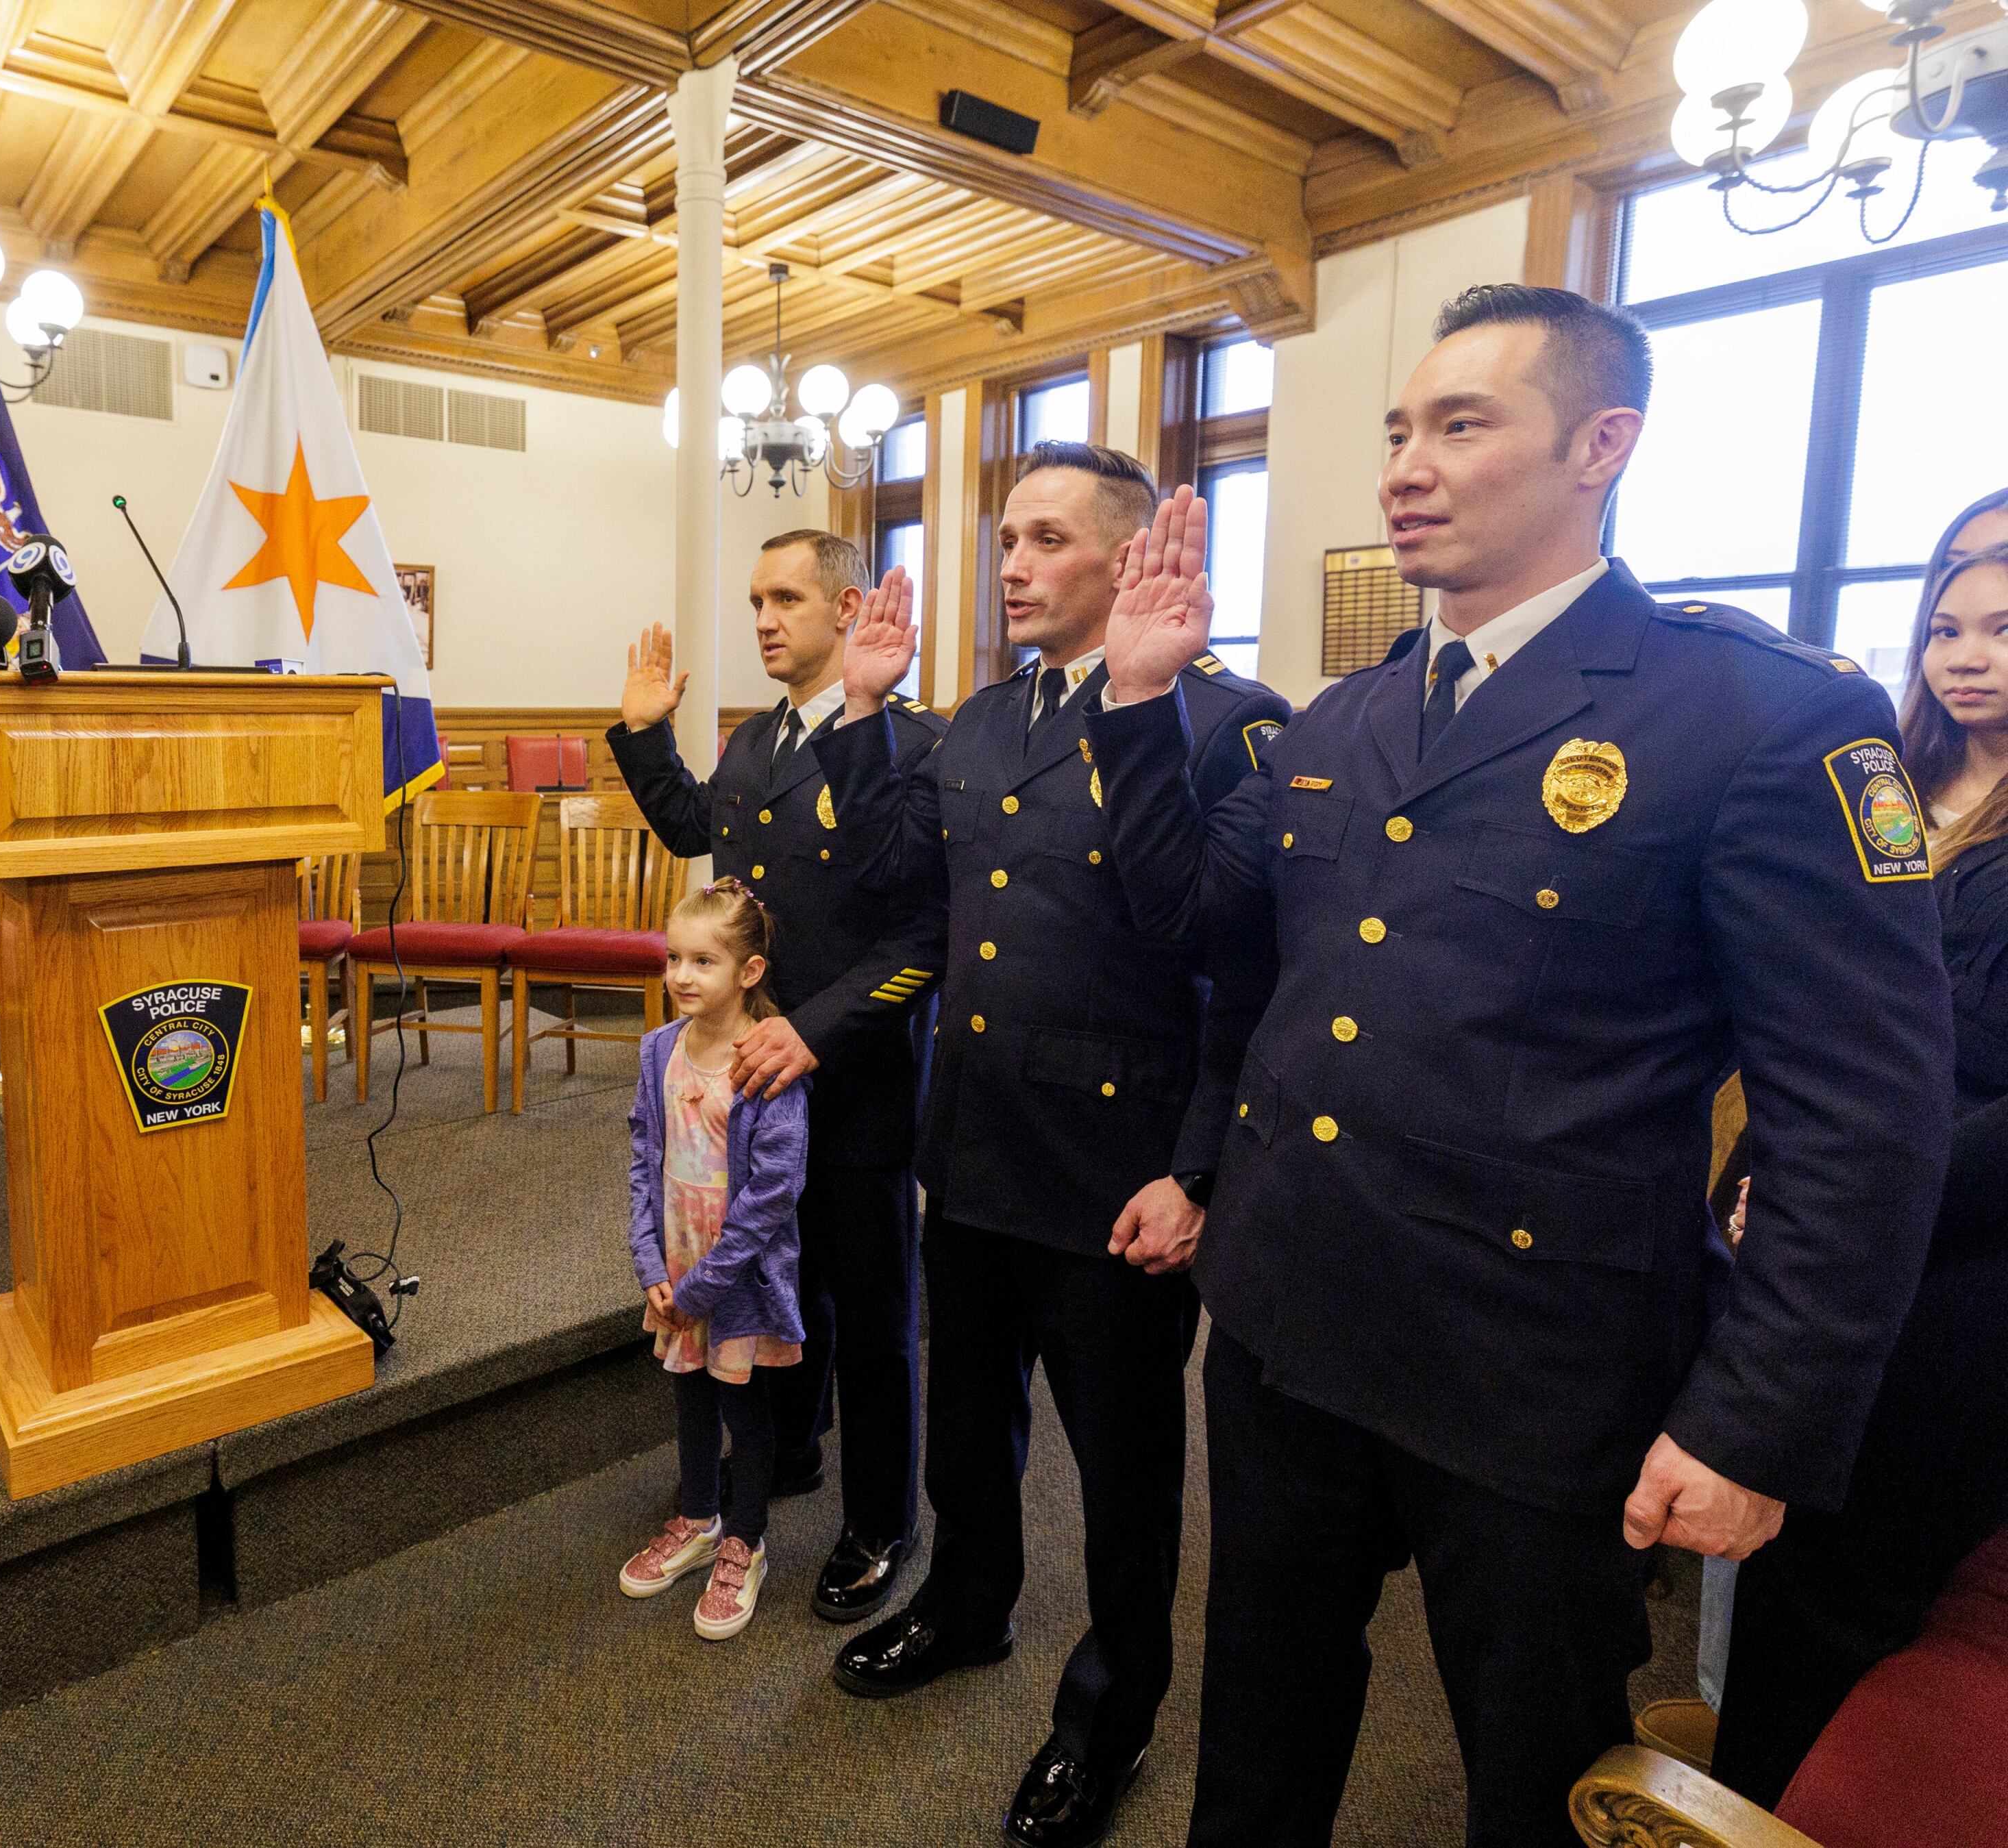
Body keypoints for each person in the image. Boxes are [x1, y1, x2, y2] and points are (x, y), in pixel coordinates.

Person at [1089, 283, 1955, 1848]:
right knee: (1258, 1721)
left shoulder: (1756, 715)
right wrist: (1145, 705)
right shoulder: (1337, 725)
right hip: (1290, 1325)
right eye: (1397, 431)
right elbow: (1217, 957)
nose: (1404, 467)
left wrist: (1758, 1418)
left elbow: (1862, 1114)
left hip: (1533, 1362)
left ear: (1599, 444)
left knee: (1531, 1766)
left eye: (1460, 425)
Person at [816, 441, 1290, 1848]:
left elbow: (1240, 974)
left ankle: (1107, 1711)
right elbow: (897, 878)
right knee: (967, 1431)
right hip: (968, 1150)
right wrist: (860, 711)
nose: (1009, 565)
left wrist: (1197, 1166)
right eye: (1003, 539)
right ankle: (966, 1607)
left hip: (1116, 1174)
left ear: (1129, 557)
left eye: (1042, 540)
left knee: (1126, 1479)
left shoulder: (1227, 722)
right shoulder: (977, 715)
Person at [1711, 534, 2008, 1804]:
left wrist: (1866, 1198)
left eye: (2002, 628)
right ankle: (1733, 1794)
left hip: (1960, 1256)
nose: (1968, 657)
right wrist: (1756, 1164)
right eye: (1948, 628)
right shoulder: (1887, 786)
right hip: (1821, 1223)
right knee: (1770, 1537)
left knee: (1855, 1574)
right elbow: (1817, 1021)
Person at [610, 530, 947, 1623]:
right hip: (757, 1084)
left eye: (786, 597)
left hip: (853, 1074)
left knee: (877, 1306)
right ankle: (791, 1452)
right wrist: (645, 734)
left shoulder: (907, 740)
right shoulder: (755, 743)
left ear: (849, 607)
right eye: (755, 598)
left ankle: (879, 1522)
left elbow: (923, 930)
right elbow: (691, 826)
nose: (762, 617)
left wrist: (813, 1026)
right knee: (781, 1279)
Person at [617, 878, 810, 1642]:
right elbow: (642, 1159)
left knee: (743, 1406)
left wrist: (703, 1285)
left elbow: (774, 1194)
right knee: (689, 1395)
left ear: (750, 973)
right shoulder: (657, 1049)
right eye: (673, 958)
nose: (681, 976)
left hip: (735, 1276)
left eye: (703, 960)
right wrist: (650, 1265)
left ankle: (745, 1541)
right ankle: (698, 1518)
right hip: (676, 1265)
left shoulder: (765, 1064)